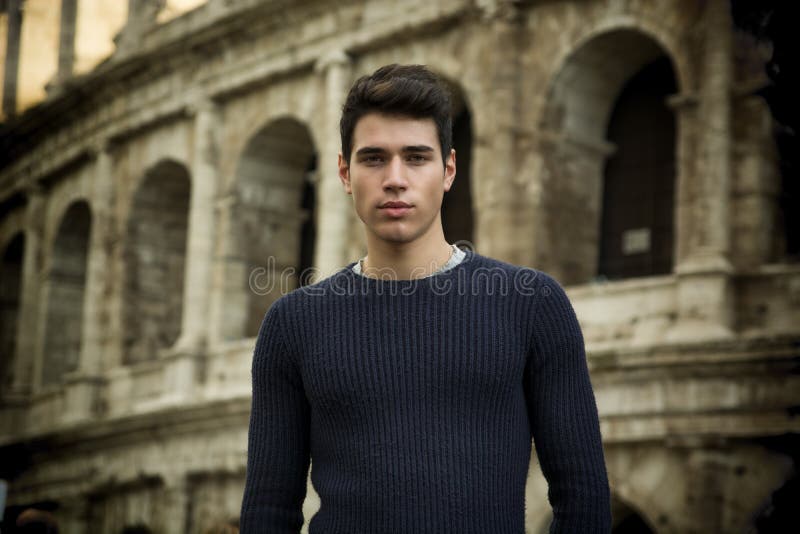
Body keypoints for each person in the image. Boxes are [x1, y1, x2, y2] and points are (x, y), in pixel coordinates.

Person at [240, 64, 611, 533]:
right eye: (374, 158)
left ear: (449, 169)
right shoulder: (292, 323)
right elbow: (268, 510)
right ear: (344, 172)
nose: (395, 179)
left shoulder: (532, 304)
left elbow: (584, 499)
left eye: (416, 157)